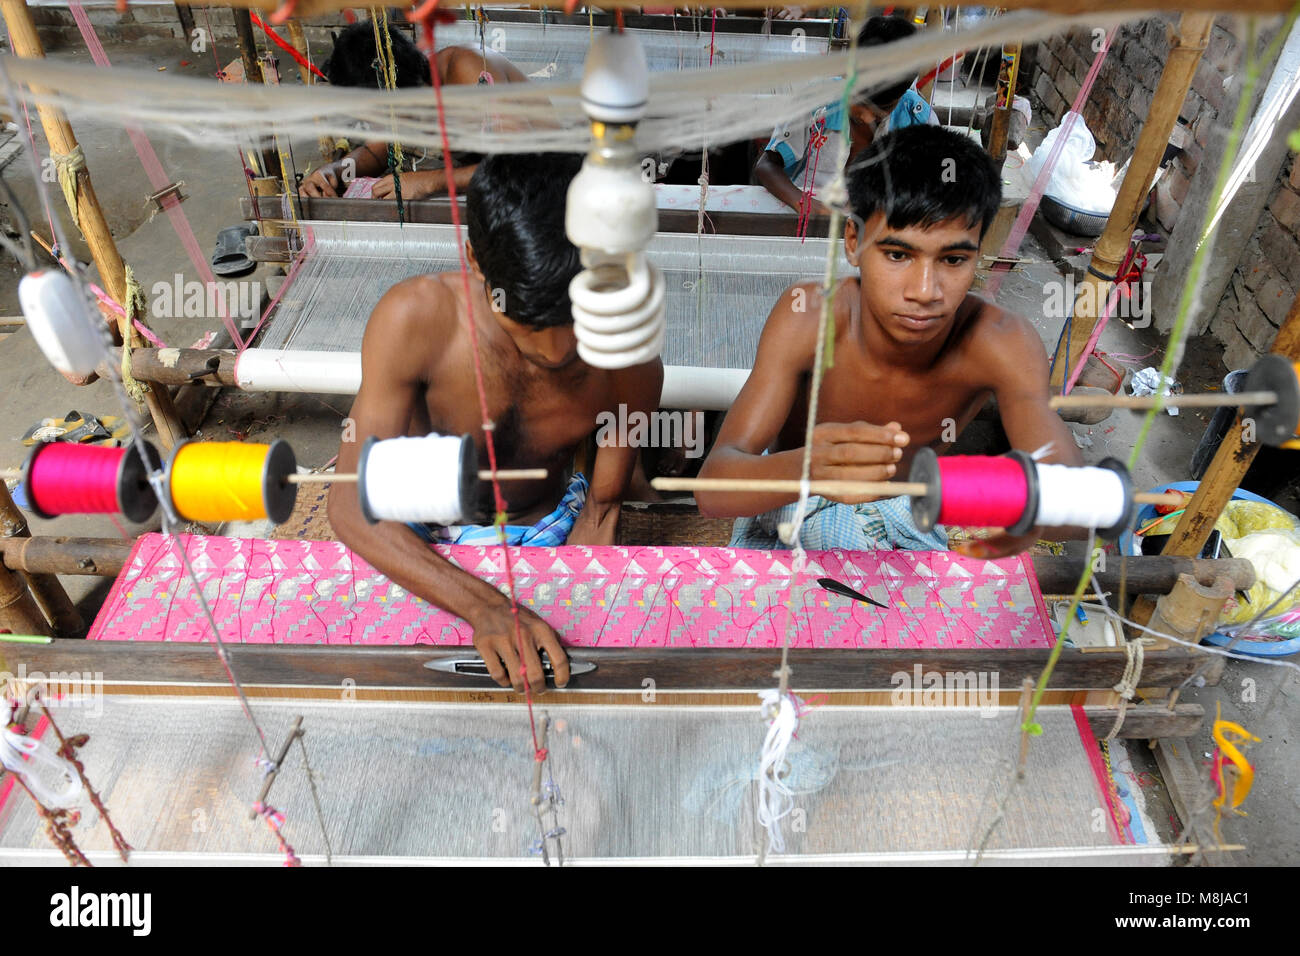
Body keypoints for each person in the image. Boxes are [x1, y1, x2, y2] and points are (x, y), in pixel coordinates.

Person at [329, 153, 662, 690]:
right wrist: (485, 607)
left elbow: (602, 505)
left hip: (543, 528)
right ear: (475, 262)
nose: (556, 350)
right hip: (409, 529)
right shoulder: (416, 320)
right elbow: (350, 503)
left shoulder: (630, 361)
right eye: (527, 323)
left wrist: (575, 592)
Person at [699, 125, 1081, 558]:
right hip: (790, 497)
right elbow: (715, 488)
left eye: (953, 260)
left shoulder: (1001, 342)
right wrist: (810, 467)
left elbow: (1071, 504)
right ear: (853, 243)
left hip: (907, 513)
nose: (924, 291)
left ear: (977, 253)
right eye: (898, 255)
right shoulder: (809, 318)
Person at [300, 22, 527, 201]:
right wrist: (335, 172)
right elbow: (376, 150)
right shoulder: (412, 92)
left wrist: (427, 182)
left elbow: (519, 166)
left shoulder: (469, 71)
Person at [754, 15, 937, 217]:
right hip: (806, 216)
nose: (868, 118)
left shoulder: (918, 119)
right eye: (859, 101)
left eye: (884, 108)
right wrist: (804, 203)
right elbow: (767, 165)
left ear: (903, 94)